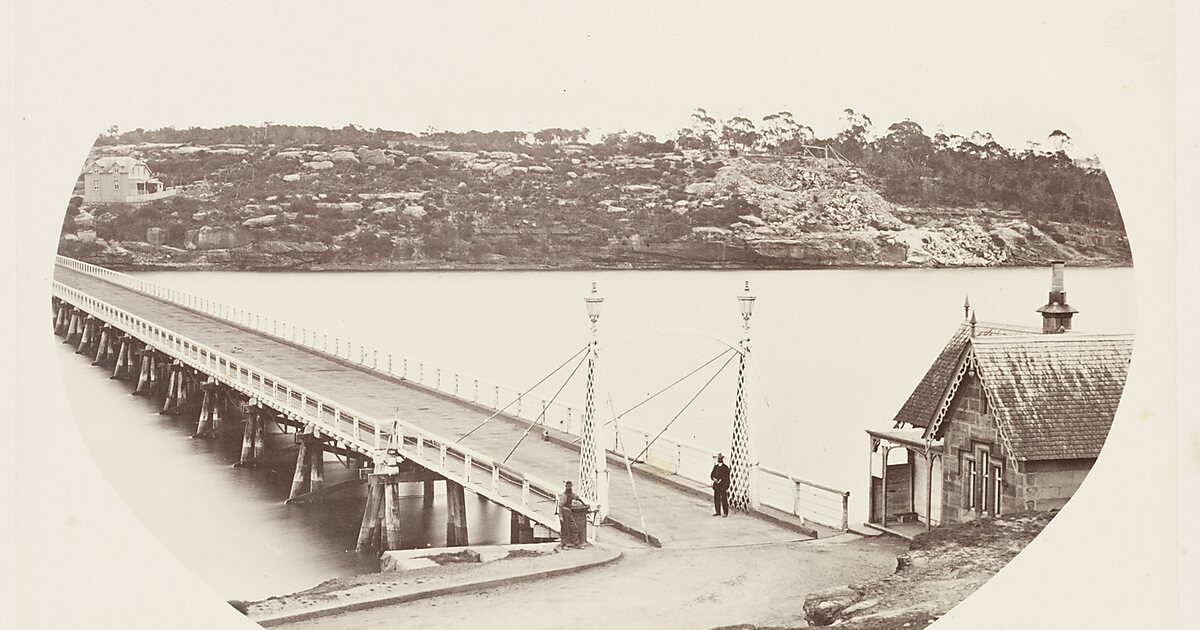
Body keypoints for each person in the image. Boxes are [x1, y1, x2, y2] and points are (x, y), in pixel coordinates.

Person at [556, 480, 589, 548]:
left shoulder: (571, 494)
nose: (570, 488)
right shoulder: (564, 495)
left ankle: (576, 543)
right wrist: (561, 516)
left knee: (574, 528)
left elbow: (577, 498)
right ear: (566, 487)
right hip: (564, 512)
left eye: (570, 486)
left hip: (569, 512)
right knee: (565, 529)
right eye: (568, 487)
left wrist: (584, 503)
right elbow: (560, 506)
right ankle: (564, 544)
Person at [710, 453, 730, 517]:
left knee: (724, 499)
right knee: (716, 499)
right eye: (718, 458)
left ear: (722, 459)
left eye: (720, 458)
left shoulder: (725, 467)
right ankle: (717, 511)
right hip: (716, 486)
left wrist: (720, 480)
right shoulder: (716, 467)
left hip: (722, 486)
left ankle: (725, 512)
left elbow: (726, 477)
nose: (719, 459)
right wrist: (714, 479)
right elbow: (712, 475)